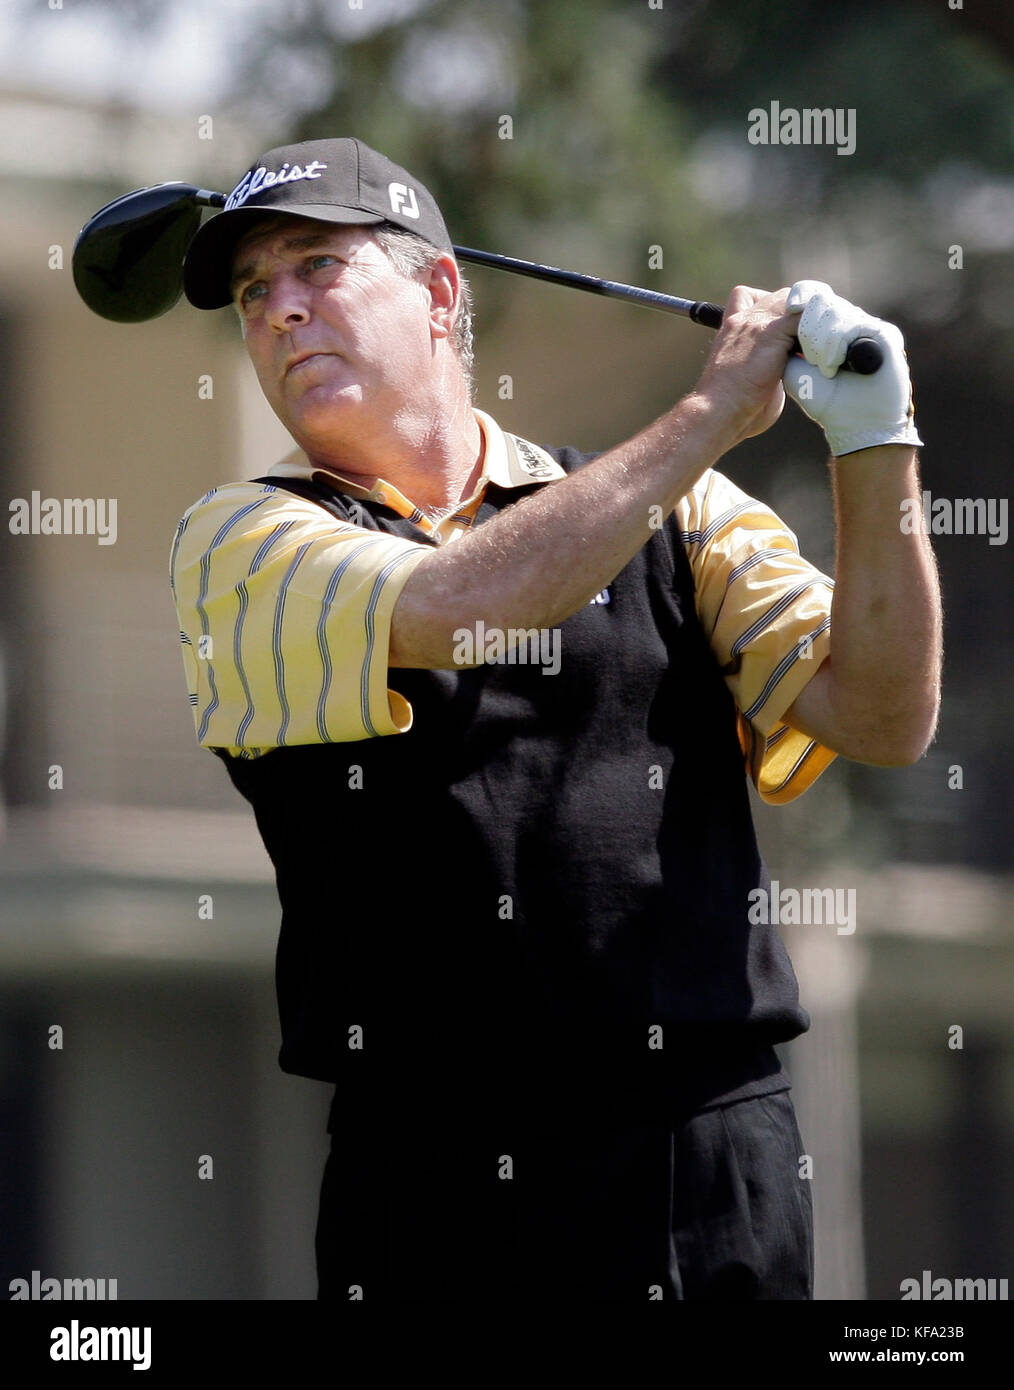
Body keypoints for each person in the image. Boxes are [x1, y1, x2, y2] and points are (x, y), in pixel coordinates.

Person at [170, 137, 941, 1301]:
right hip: (428, 1178)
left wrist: (876, 442)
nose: (277, 311)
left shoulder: (688, 518)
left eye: (315, 268)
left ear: (437, 292)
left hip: (706, 1159)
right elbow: (467, 604)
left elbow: (883, 714)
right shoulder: (241, 541)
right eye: (251, 292)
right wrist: (711, 411)